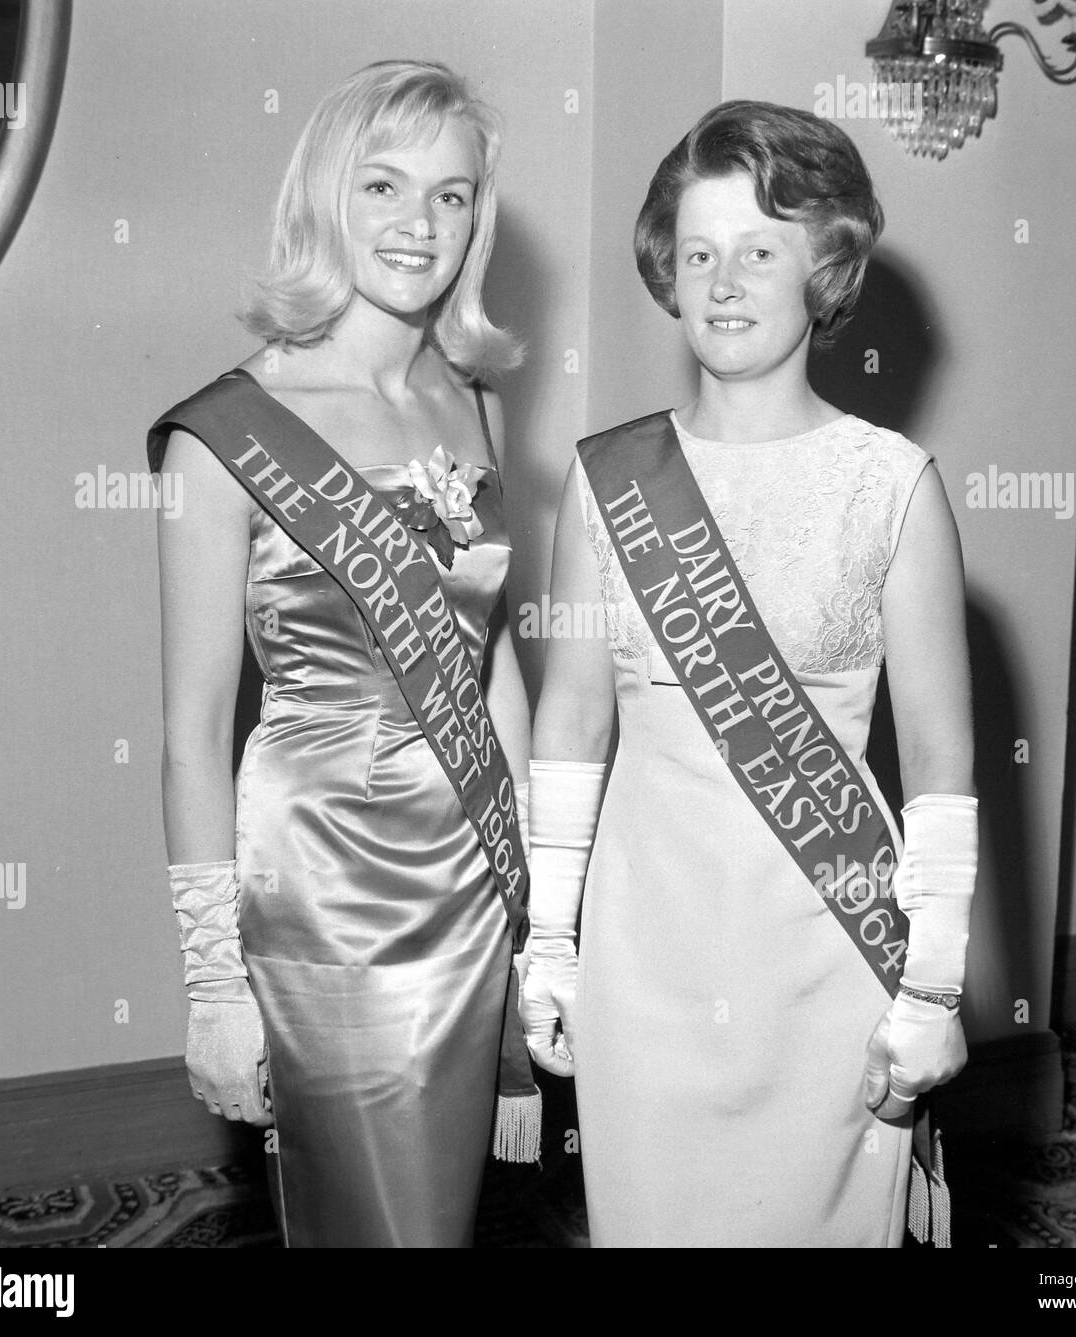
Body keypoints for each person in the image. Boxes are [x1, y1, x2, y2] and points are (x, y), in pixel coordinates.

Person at [520, 101, 977, 1247]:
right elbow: (570, 721)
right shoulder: (607, 479)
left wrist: (931, 985)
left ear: (823, 267)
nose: (724, 281)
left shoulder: (893, 484)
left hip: (826, 944)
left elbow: (939, 760)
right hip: (644, 948)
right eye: (698, 252)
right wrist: (551, 941)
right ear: (666, 274)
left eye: (760, 249)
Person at [148, 60, 535, 1248]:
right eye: (385, 184)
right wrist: (215, 984)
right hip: (324, 889)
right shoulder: (222, 436)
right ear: (327, 196)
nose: (420, 223)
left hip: (472, 875)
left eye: (453, 195)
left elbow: (493, 663)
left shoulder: (473, 398)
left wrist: (537, 910)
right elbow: (188, 731)